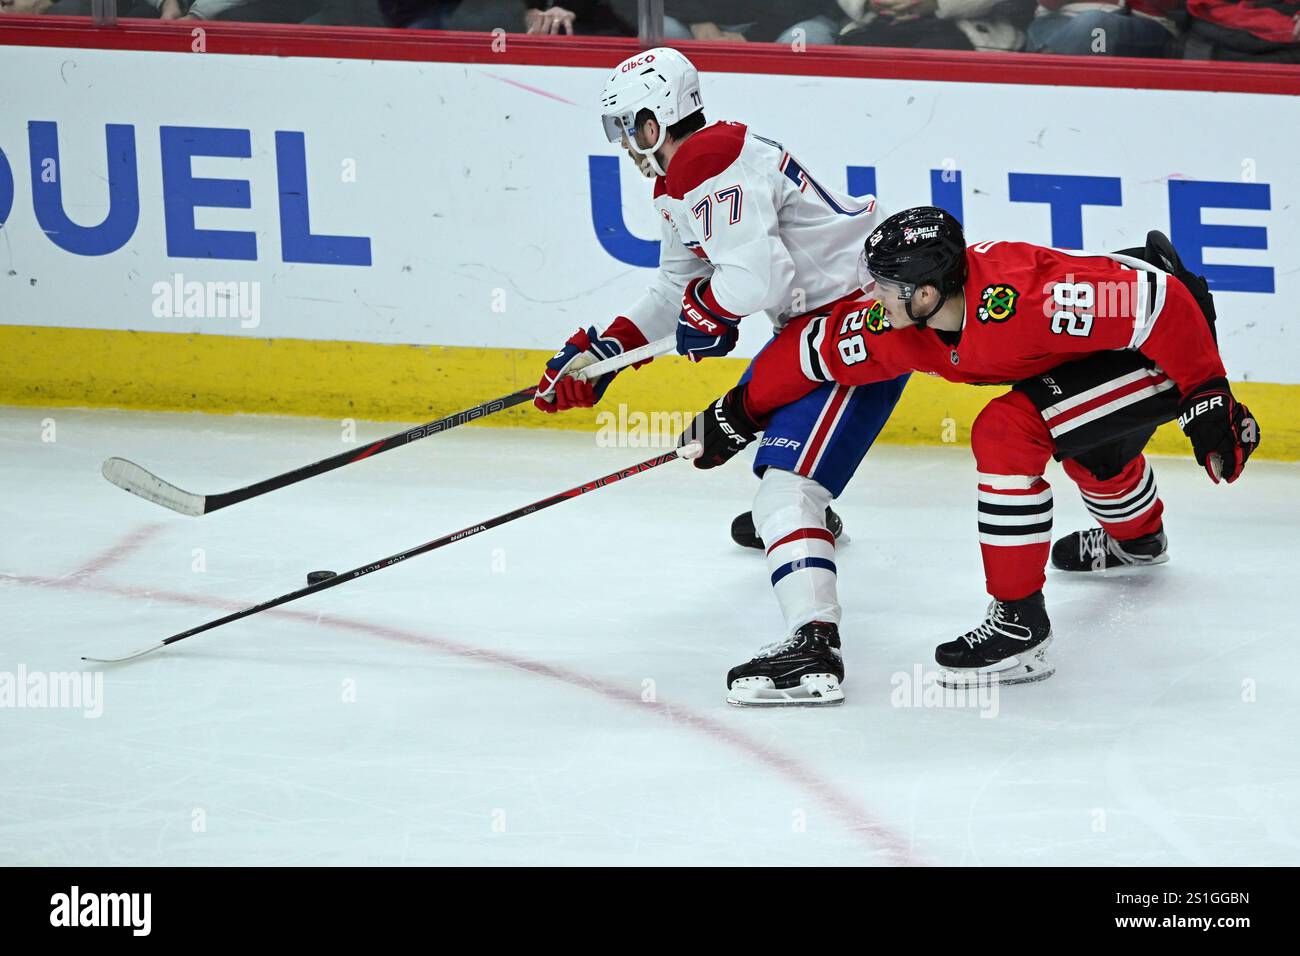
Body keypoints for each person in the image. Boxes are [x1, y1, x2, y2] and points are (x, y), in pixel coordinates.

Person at [680, 206, 1260, 689]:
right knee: (1093, 449)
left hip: (1167, 344)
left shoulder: (1030, 297)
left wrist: (1208, 394)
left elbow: (1160, 304)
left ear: (926, 293)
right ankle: (1139, 541)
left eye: (884, 287)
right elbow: (811, 350)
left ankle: (1020, 625)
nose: (871, 298)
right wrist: (735, 413)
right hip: (1095, 353)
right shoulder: (902, 324)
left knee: (1009, 430)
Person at [534, 48, 909, 706]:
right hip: (824, 328)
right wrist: (604, 355)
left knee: (780, 495)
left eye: (628, 127)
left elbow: (751, 282)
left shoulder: (709, 161)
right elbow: (675, 294)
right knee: (777, 482)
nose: (623, 144)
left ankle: (814, 645)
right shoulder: (686, 176)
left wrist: (708, 312)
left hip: (855, 328)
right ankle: (809, 526)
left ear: (658, 121)